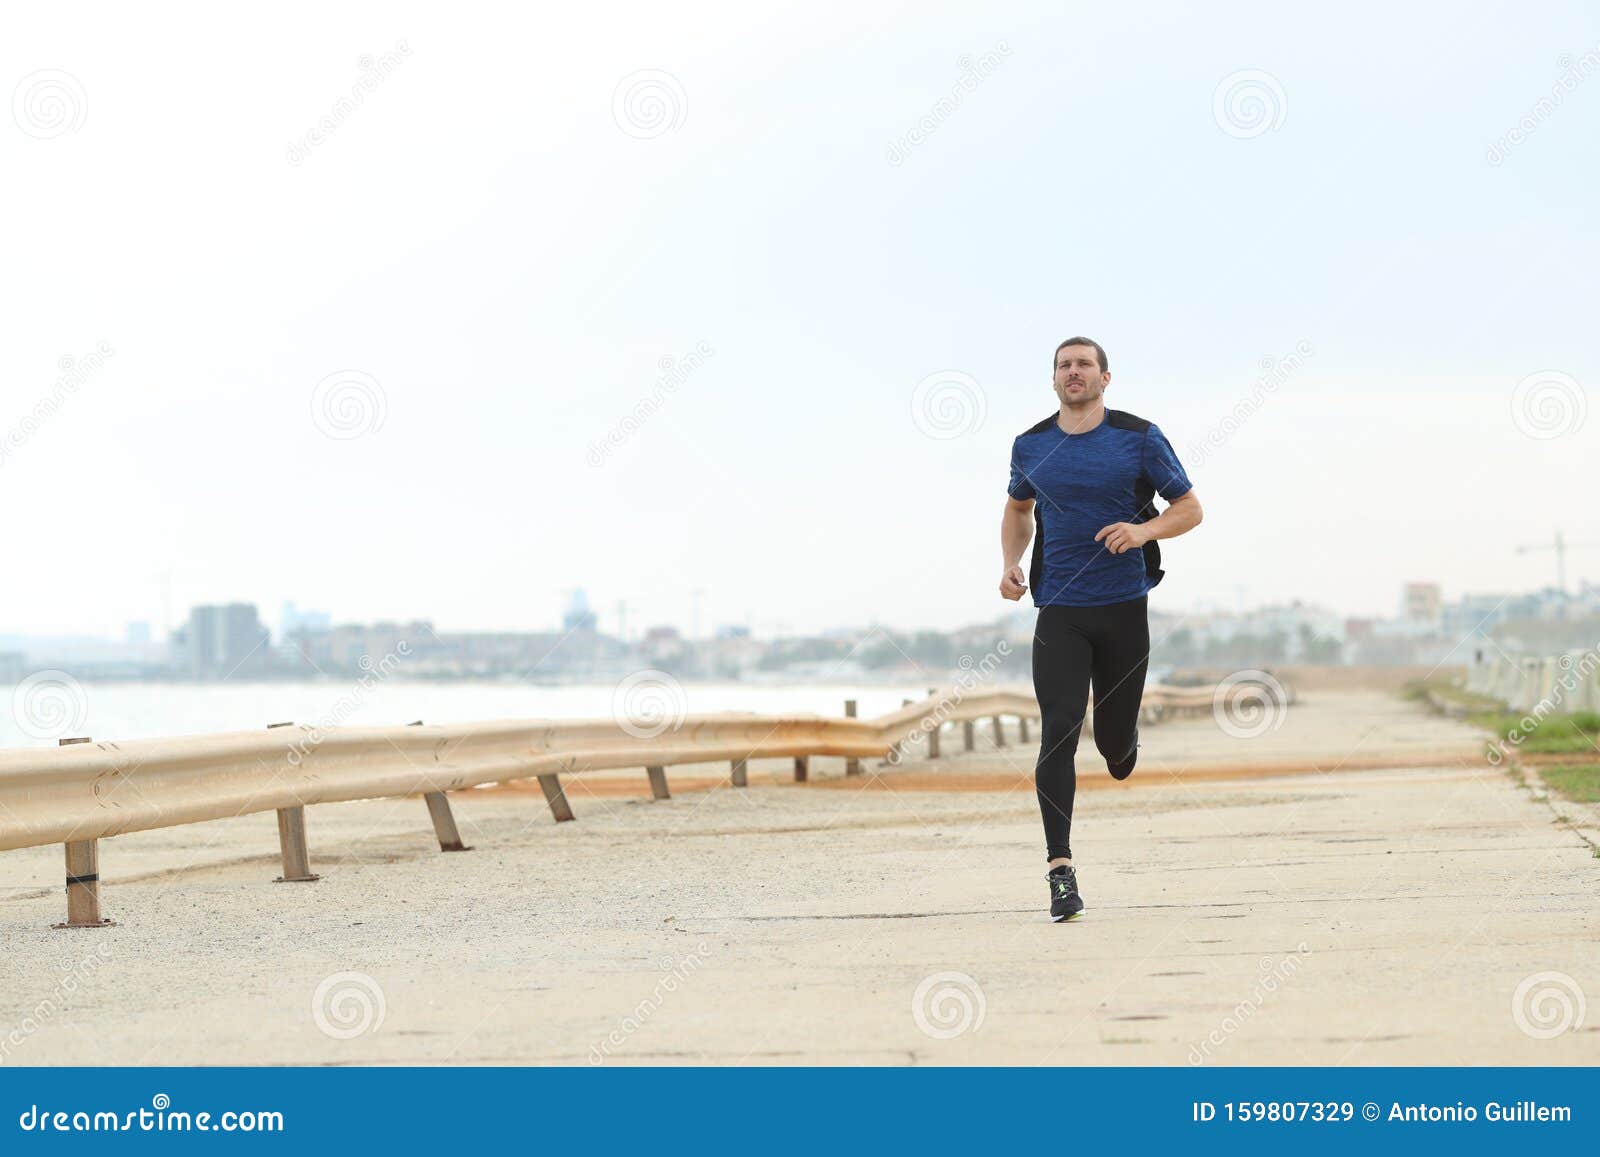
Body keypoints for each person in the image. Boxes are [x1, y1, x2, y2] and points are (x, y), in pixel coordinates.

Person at [999, 336, 1203, 921]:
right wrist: (1011, 564)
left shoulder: (1138, 437)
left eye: (1084, 364)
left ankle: (1123, 742)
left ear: (1105, 378)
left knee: (1114, 747)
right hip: (1058, 609)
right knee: (1059, 729)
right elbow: (1018, 510)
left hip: (1122, 609)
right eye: (1064, 365)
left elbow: (1190, 507)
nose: (1074, 372)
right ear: (1054, 379)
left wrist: (1142, 533)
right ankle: (1060, 871)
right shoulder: (1030, 444)